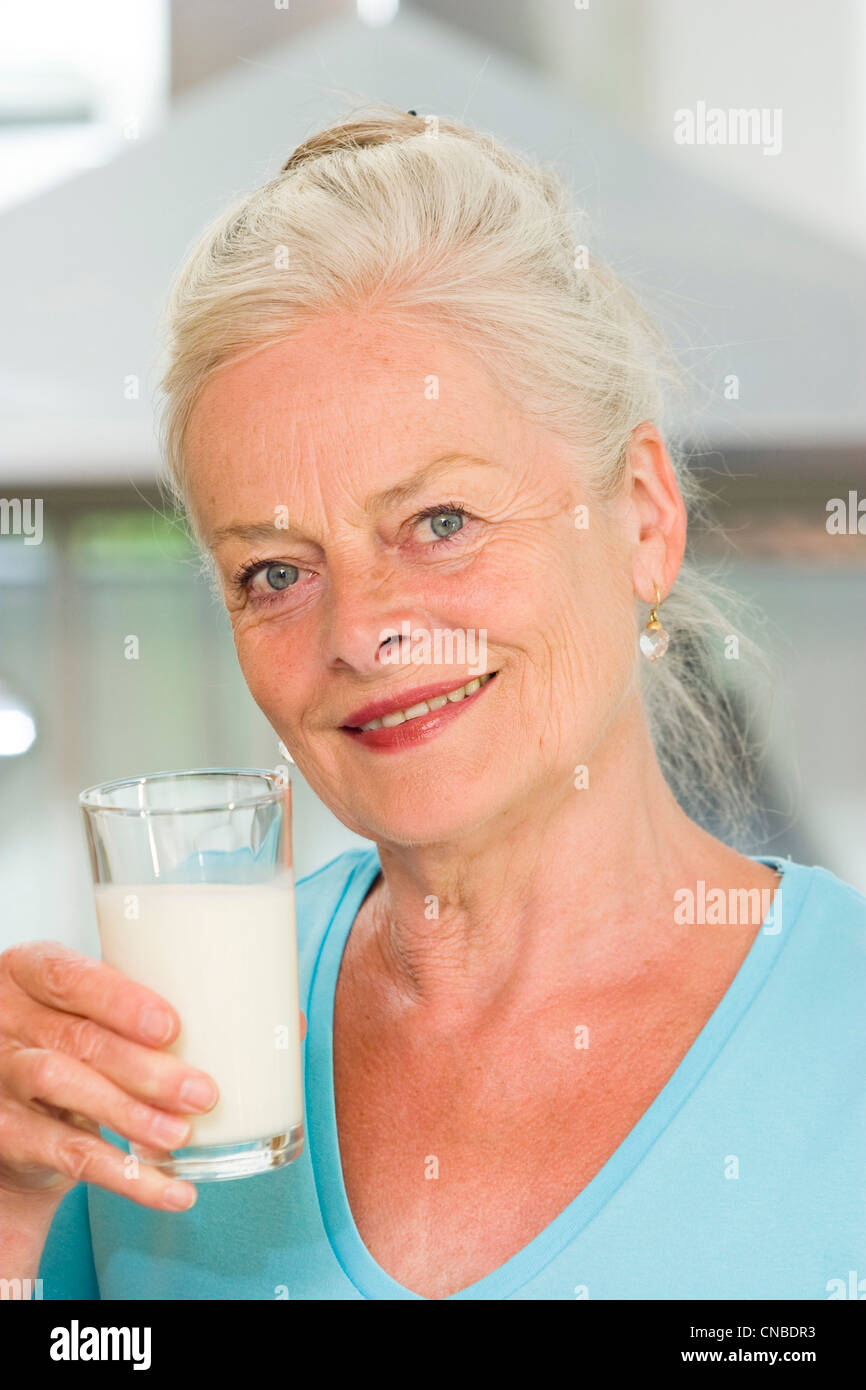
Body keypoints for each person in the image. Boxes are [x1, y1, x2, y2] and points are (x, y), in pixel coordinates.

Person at [2, 105, 863, 1301]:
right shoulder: (151, 1062)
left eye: (440, 522)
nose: (359, 631)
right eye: (275, 573)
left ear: (643, 518)